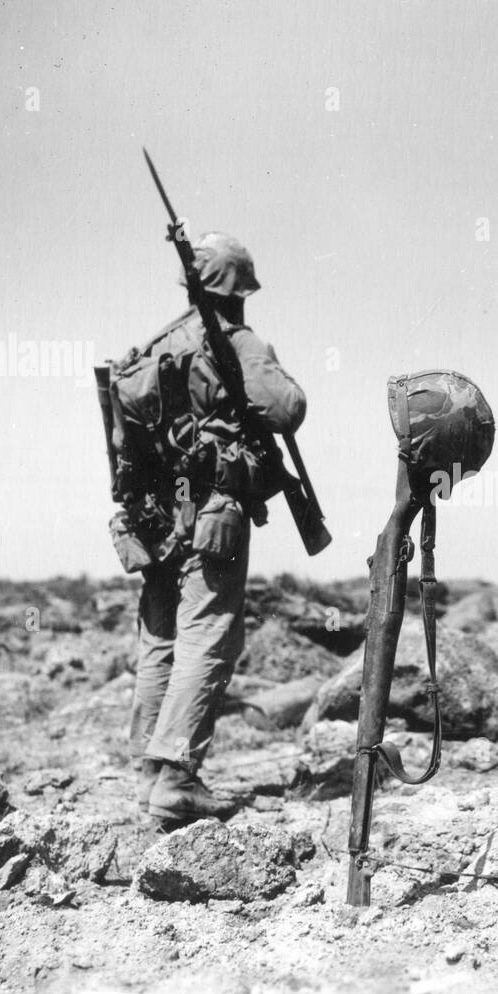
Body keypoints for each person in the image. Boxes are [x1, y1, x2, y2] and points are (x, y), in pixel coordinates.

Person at [126, 232, 307, 824]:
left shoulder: (155, 346)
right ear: (240, 289)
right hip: (213, 509)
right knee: (209, 635)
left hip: (156, 515)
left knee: (160, 639)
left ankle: (150, 770)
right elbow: (287, 409)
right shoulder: (234, 342)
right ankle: (177, 777)